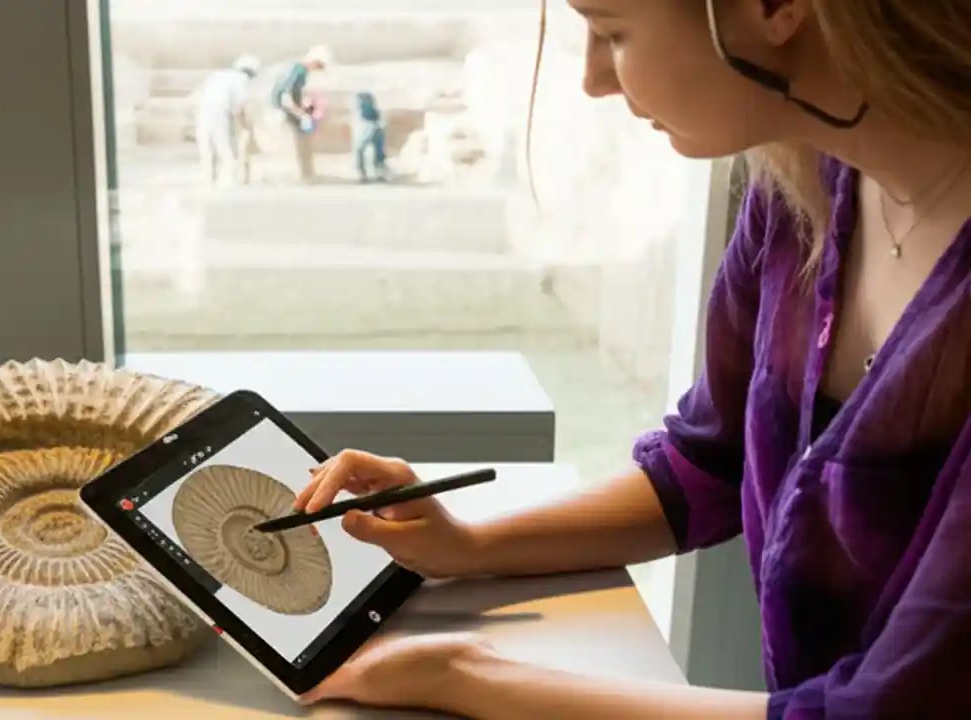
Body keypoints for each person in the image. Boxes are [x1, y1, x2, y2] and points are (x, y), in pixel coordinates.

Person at [295, 1, 971, 717]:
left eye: (613, 32)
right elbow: (706, 467)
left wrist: (464, 676)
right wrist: (466, 546)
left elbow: (883, 710)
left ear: (774, 8)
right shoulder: (799, 187)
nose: (593, 79)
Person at [195, 54, 261, 188]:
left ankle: (208, 179)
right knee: (223, 145)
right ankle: (231, 178)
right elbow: (239, 106)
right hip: (220, 111)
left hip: (203, 109)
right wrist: (245, 126)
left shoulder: (219, 75)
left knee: (206, 145)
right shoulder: (241, 79)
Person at [269, 44, 332, 183]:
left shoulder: (298, 70)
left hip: (286, 111)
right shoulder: (298, 71)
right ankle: (302, 176)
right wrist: (302, 113)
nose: (319, 70)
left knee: (300, 142)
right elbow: (286, 97)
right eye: (320, 66)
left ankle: (305, 174)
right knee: (297, 144)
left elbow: (294, 94)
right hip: (283, 112)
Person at [352, 91, 391, 183]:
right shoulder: (370, 113)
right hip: (373, 128)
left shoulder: (366, 114)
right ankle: (374, 174)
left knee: (366, 151)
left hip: (371, 128)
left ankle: (367, 174)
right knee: (375, 152)